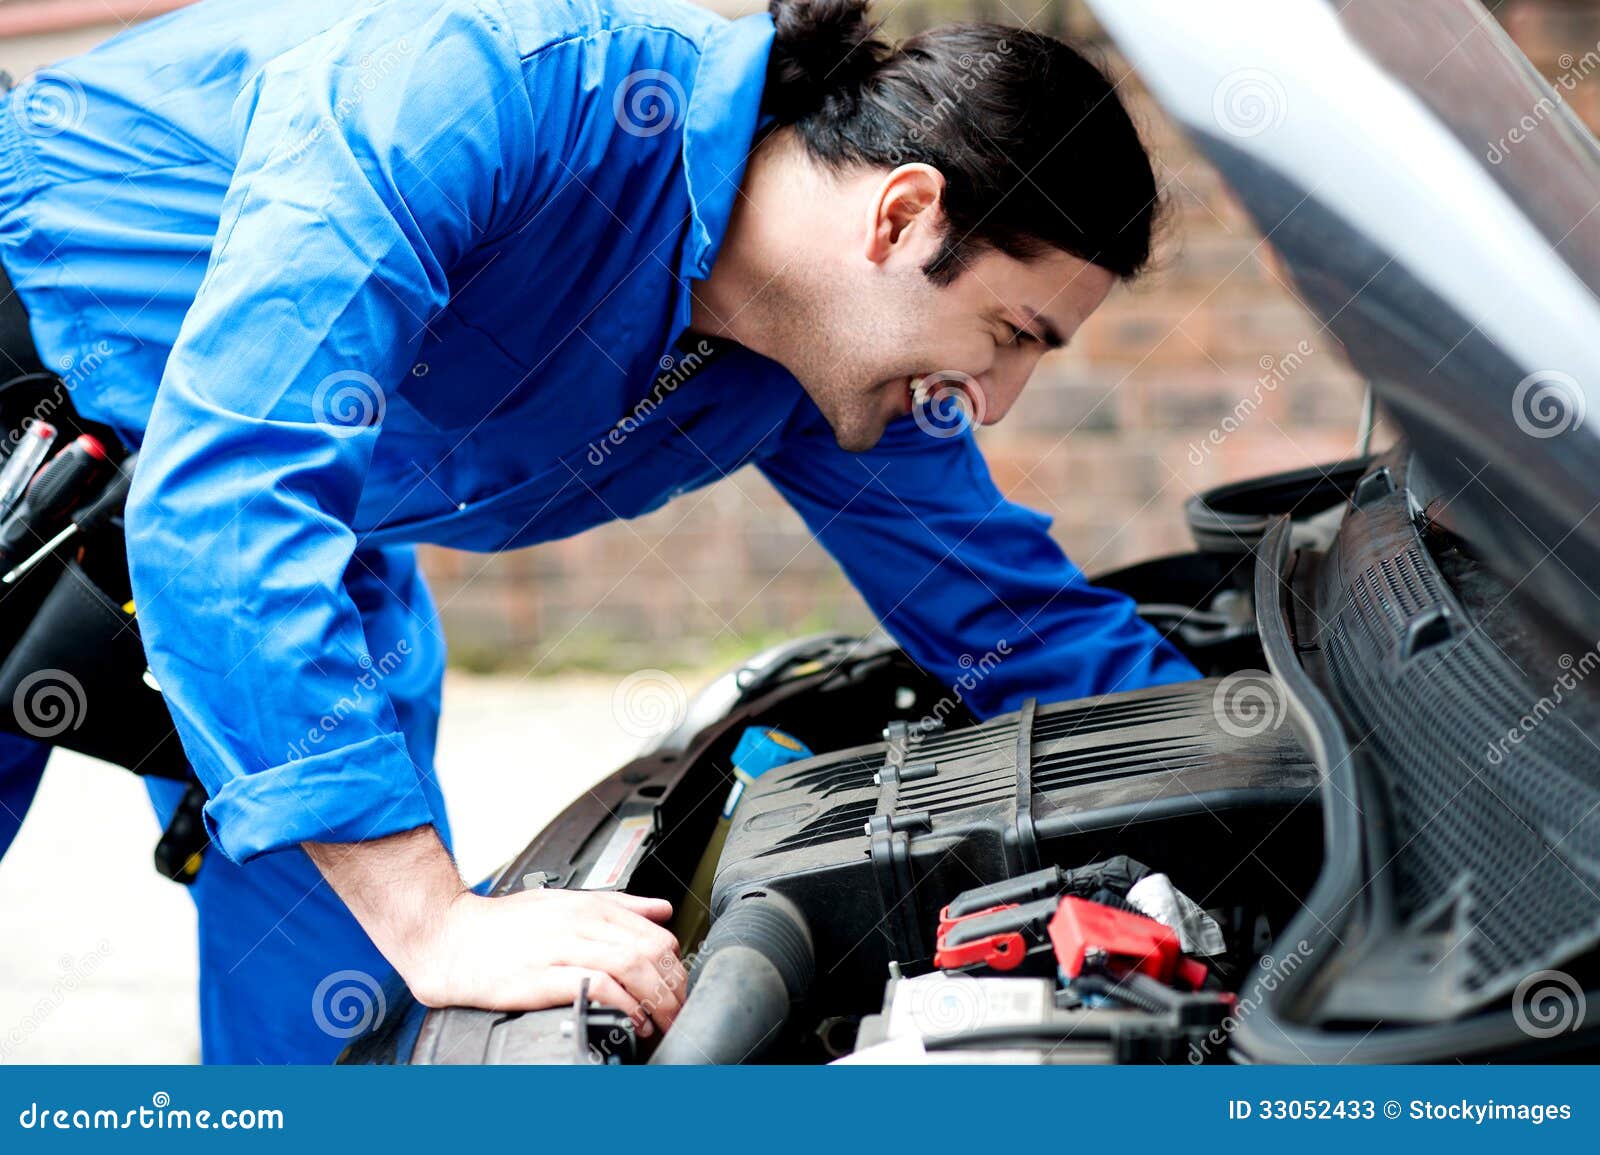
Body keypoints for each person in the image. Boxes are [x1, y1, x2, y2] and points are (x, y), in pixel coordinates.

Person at [0, 0, 1198, 1063]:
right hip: (42, 392)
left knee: (343, 1003)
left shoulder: (824, 361)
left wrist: (1220, 771)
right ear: (902, 215)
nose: (994, 398)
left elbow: (1006, 613)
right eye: (1011, 333)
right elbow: (236, 491)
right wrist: (431, 914)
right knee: (407, 913)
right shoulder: (498, 86)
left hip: (293, 542)